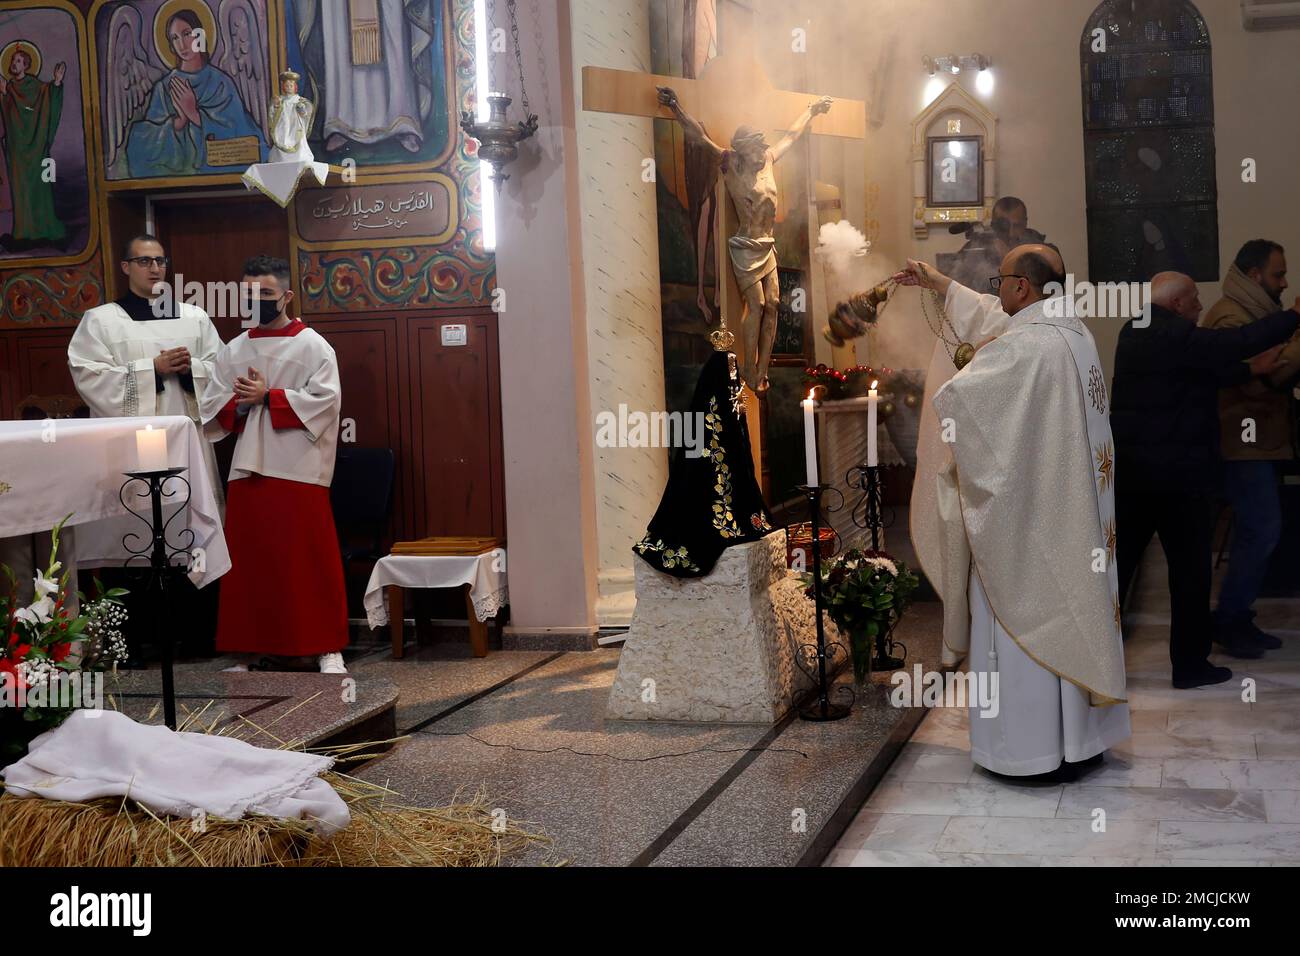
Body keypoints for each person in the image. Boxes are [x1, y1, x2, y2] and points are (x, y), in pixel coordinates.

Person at [898, 246, 1130, 781]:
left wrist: (955, 374)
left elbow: (963, 405)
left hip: (1028, 528)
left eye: (1000, 280)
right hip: (1075, 520)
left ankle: (1028, 752)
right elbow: (997, 321)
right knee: (1077, 613)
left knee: (1021, 616)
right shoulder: (1072, 333)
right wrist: (941, 286)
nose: (996, 290)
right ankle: (1079, 741)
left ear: (1022, 287)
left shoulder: (1027, 347)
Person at [1111, 272, 1300, 686]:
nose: (1200, 307)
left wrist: (1248, 368)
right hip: (1179, 479)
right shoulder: (1175, 332)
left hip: (1134, 477)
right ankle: (1191, 666)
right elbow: (1231, 342)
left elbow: (1197, 370)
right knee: (1190, 575)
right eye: (1195, 299)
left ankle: (1095, 662)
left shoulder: (1135, 329)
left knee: (1117, 570)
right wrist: (1293, 316)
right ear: (1177, 303)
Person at [67, 233, 224, 661]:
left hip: (186, 445)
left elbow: (221, 370)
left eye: (160, 261)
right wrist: (150, 369)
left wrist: (194, 370)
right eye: (144, 261)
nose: (154, 269)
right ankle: (136, 641)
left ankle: (196, 638)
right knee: (132, 535)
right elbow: (88, 375)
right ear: (125, 267)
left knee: (189, 534)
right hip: (128, 450)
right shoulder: (101, 321)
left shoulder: (194, 318)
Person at [200, 255, 348, 674]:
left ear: (286, 295)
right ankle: (249, 648)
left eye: (264, 294)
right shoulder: (234, 349)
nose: (256, 301)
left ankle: (326, 646)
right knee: (252, 563)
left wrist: (270, 396)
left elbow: (326, 401)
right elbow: (212, 408)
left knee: (307, 561)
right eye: (248, 294)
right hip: (249, 469)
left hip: (299, 466)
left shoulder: (313, 345)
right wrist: (242, 404)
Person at [1202, 240, 1298, 655]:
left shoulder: (1258, 312)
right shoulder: (1230, 317)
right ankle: (1229, 619)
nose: (1285, 282)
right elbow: (1262, 380)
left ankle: (1237, 616)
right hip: (1243, 443)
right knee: (1260, 531)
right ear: (1255, 275)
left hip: (1260, 440)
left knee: (1259, 531)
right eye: (1278, 274)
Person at [124, 9, 267, 177]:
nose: (182, 44)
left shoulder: (220, 83)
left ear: (199, 36)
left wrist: (194, 114)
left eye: (186, 34)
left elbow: (246, 139)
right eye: (175, 38)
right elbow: (141, 147)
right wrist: (178, 123)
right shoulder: (164, 89)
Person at [0, 41, 67, 251]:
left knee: (42, 188)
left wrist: (56, 83)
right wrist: (3, 94)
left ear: (27, 65)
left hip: (38, 149)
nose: (14, 63)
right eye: (13, 60)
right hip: (18, 151)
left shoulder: (37, 86)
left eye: (19, 61)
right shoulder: (8, 88)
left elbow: (49, 98)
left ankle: (48, 232)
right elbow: (7, 114)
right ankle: (23, 234)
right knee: (21, 192)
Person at [946, 196, 1045, 293]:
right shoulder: (978, 245)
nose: (1011, 233)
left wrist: (1009, 258)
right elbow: (953, 283)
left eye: (1016, 226)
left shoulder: (1041, 251)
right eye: (1004, 227)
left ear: (1025, 222)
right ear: (993, 224)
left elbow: (1040, 289)